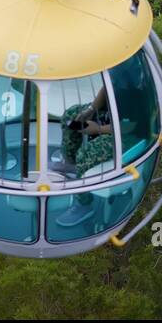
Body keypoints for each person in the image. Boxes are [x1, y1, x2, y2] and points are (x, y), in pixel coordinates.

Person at [54, 91, 116, 228]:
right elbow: (107, 88)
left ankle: (84, 204)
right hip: (110, 114)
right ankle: (72, 164)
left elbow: (135, 127)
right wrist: (91, 110)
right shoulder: (118, 70)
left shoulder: (142, 84)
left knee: (85, 154)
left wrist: (99, 129)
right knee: (70, 118)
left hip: (124, 133)